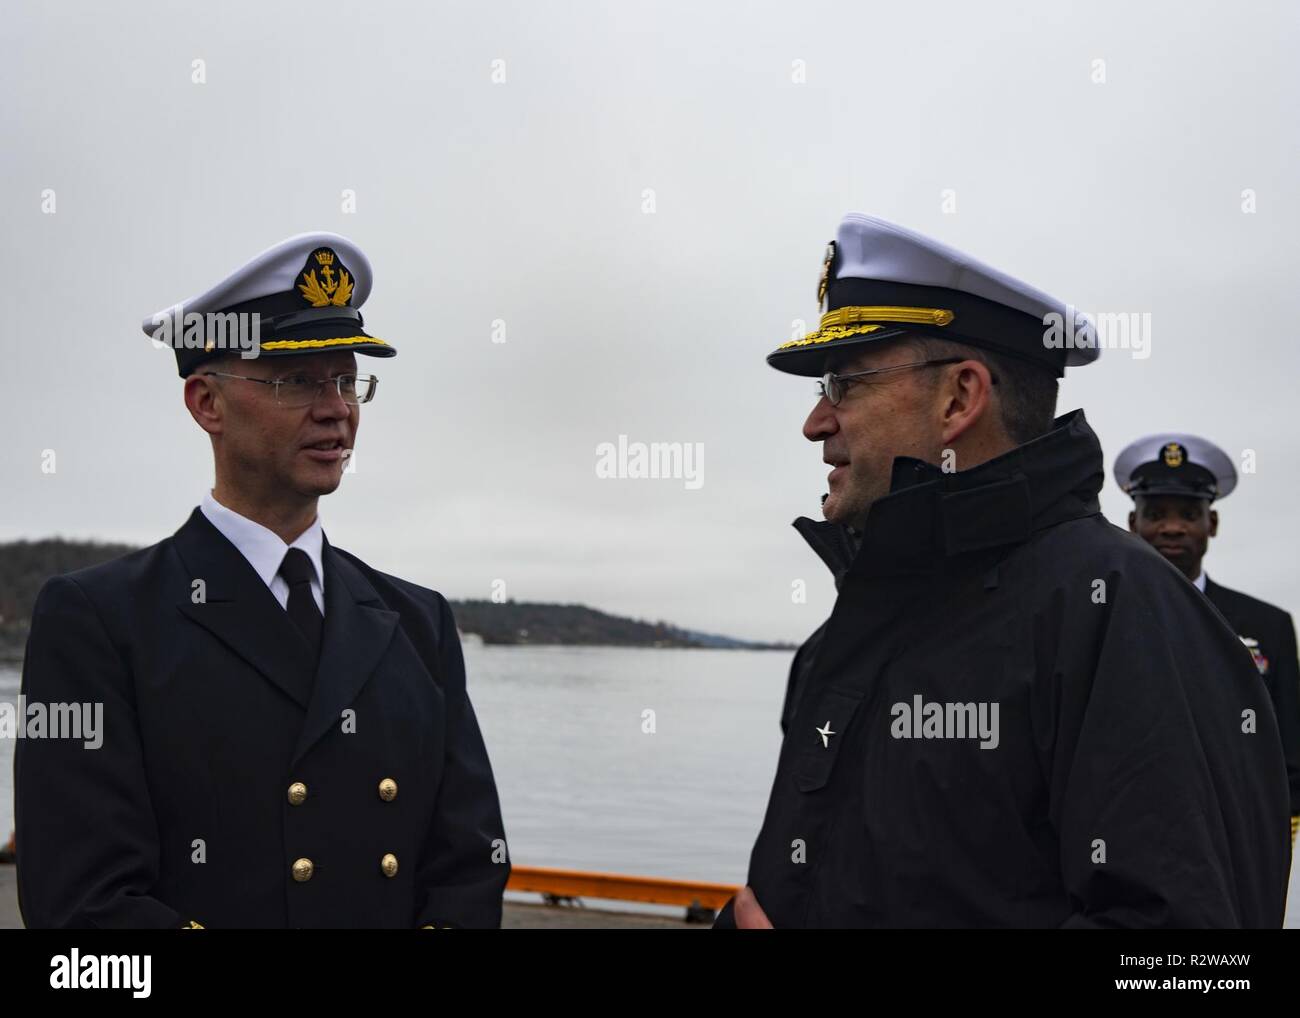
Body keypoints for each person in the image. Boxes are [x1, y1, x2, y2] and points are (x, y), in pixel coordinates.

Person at [715, 213, 1289, 928]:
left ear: (960, 397)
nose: (816, 422)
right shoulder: (848, 635)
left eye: (843, 383)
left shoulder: (1120, 615)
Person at [15, 233, 509, 928]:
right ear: (206, 404)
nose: (337, 408)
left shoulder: (417, 623)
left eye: (346, 381)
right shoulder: (98, 623)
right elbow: (82, 912)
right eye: (298, 381)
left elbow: (469, 870)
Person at [1116, 433, 1300, 844]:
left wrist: (1272, 828)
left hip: (1238, 835)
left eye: (1188, 513)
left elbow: (1289, 747)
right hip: (1131, 834)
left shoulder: (1268, 625)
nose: (1173, 528)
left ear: (1211, 523)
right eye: (1156, 513)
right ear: (1133, 524)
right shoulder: (1101, 615)